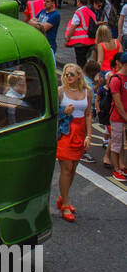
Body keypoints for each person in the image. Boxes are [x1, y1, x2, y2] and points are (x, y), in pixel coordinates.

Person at [55, 63, 92, 221]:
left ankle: (63, 197)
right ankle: (65, 204)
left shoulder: (87, 92)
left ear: (78, 76)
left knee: (74, 168)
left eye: (71, 74)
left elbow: (89, 114)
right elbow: (53, 113)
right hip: (65, 132)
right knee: (66, 168)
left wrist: (89, 135)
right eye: (66, 74)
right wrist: (64, 112)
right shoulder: (60, 92)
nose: (68, 77)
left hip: (80, 132)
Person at [106, 50, 127, 183]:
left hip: (124, 117)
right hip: (117, 117)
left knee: (123, 144)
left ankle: (121, 165)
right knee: (116, 143)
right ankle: (116, 169)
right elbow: (118, 102)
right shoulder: (116, 79)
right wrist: (125, 116)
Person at [64, 0, 97, 68]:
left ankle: (82, 76)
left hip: (80, 42)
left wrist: (67, 39)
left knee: (80, 62)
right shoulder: (91, 12)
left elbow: (73, 26)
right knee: (85, 60)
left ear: (79, 2)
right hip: (91, 40)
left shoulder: (78, 12)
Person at [29, 0, 60, 67]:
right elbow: (30, 21)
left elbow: (43, 28)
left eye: (47, 1)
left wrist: (35, 23)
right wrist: (37, 24)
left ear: (53, 3)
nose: (45, 3)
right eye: (44, 1)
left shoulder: (55, 15)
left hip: (49, 44)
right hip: (39, 43)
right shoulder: (42, 11)